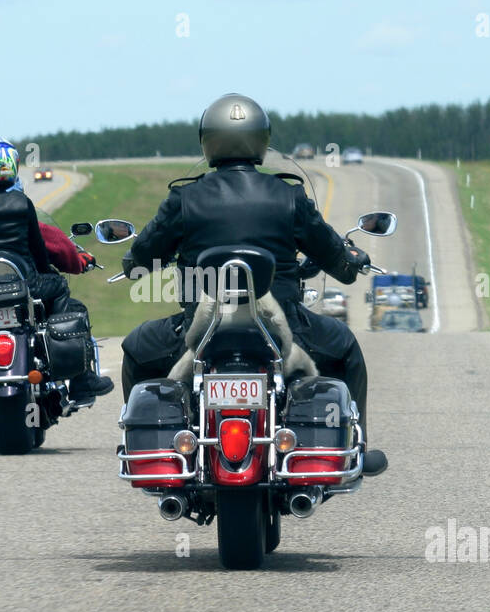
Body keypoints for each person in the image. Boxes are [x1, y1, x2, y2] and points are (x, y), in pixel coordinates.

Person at [119, 93, 387, 476]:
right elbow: (338, 263)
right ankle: (358, 452)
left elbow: (140, 263)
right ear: (262, 138)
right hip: (284, 331)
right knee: (346, 350)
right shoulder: (289, 196)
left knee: (134, 350)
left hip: (200, 333)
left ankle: (153, 446)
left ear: (207, 139)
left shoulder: (184, 198)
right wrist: (352, 259)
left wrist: (134, 261)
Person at [0, 138, 112, 414]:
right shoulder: (22, 203)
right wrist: (45, 271)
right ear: (11, 167)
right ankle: (81, 379)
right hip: (24, 285)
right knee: (60, 288)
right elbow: (39, 250)